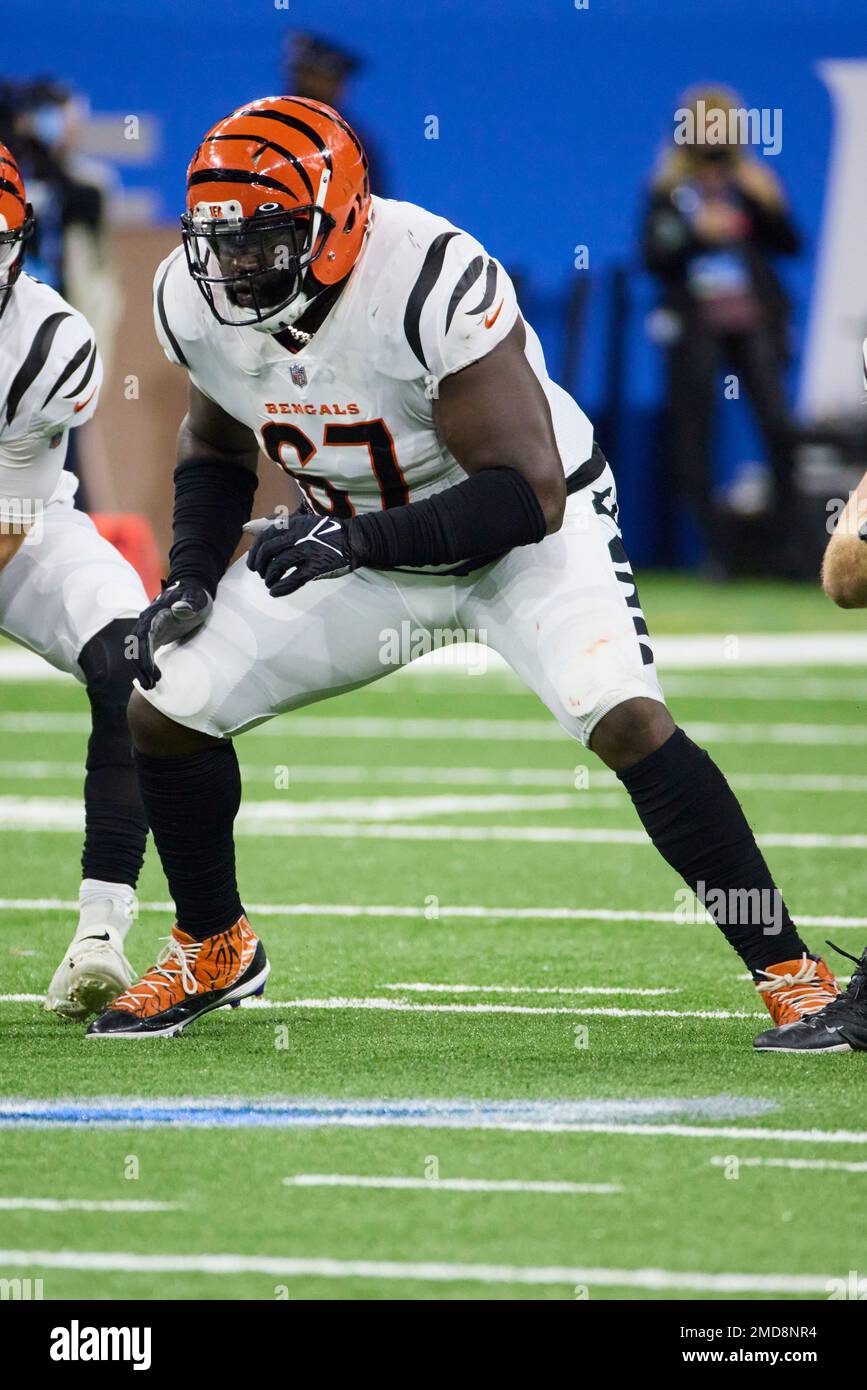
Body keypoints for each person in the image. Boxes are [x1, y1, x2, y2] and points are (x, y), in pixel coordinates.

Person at [86, 96, 839, 1045]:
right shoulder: (191, 297)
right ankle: (215, 943)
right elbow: (216, 443)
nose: (239, 265)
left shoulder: (427, 276)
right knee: (168, 703)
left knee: (625, 718)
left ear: (339, 221)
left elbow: (526, 494)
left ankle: (790, 969)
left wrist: (349, 543)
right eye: (223, 242)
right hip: (357, 545)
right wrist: (191, 575)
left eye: (267, 239)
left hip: (519, 540)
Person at [0, 141, 149, 1016]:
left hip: (17, 521)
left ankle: (100, 929)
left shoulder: (47, 341)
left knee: (130, 663)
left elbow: (9, 526)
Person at [643, 85, 800, 575]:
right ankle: (716, 554)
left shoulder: (752, 184)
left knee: (777, 428)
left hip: (752, 325)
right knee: (695, 438)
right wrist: (696, 233)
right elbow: (653, 257)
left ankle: (792, 551)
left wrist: (767, 202)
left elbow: (790, 244)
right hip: (696, 329)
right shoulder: (668, 190)